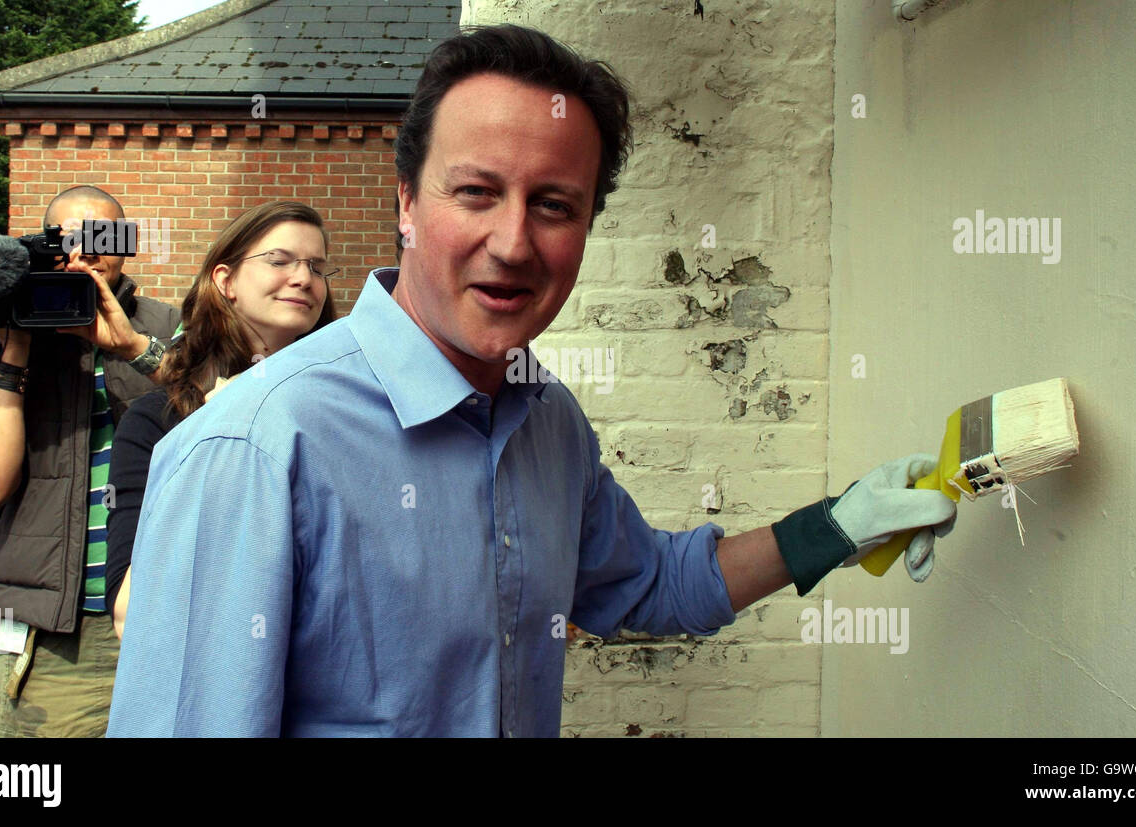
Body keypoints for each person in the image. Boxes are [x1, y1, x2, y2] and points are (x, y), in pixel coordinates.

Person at [107, 25, 957, 738]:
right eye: (476, 191)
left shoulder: (547, 423)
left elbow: (652, 583)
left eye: (555, 204)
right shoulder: (250, 445)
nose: (514, 243)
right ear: (406, 201)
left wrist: (836, 527)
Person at [0, 185, 182, 737]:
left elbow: (222, 409)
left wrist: (134, 350)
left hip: (164, 613)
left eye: (103, 237)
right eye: (67, 239)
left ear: (125, 247)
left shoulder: (170, 325)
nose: (85, 253)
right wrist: (18, 346)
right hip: (55, 635)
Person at [104, 202, 337, 638]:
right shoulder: (158, 421)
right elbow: (130, 614)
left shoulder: (344, 412)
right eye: (279, 260)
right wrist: (215, 443)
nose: (304, 278)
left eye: (317, 267)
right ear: (225, 280)